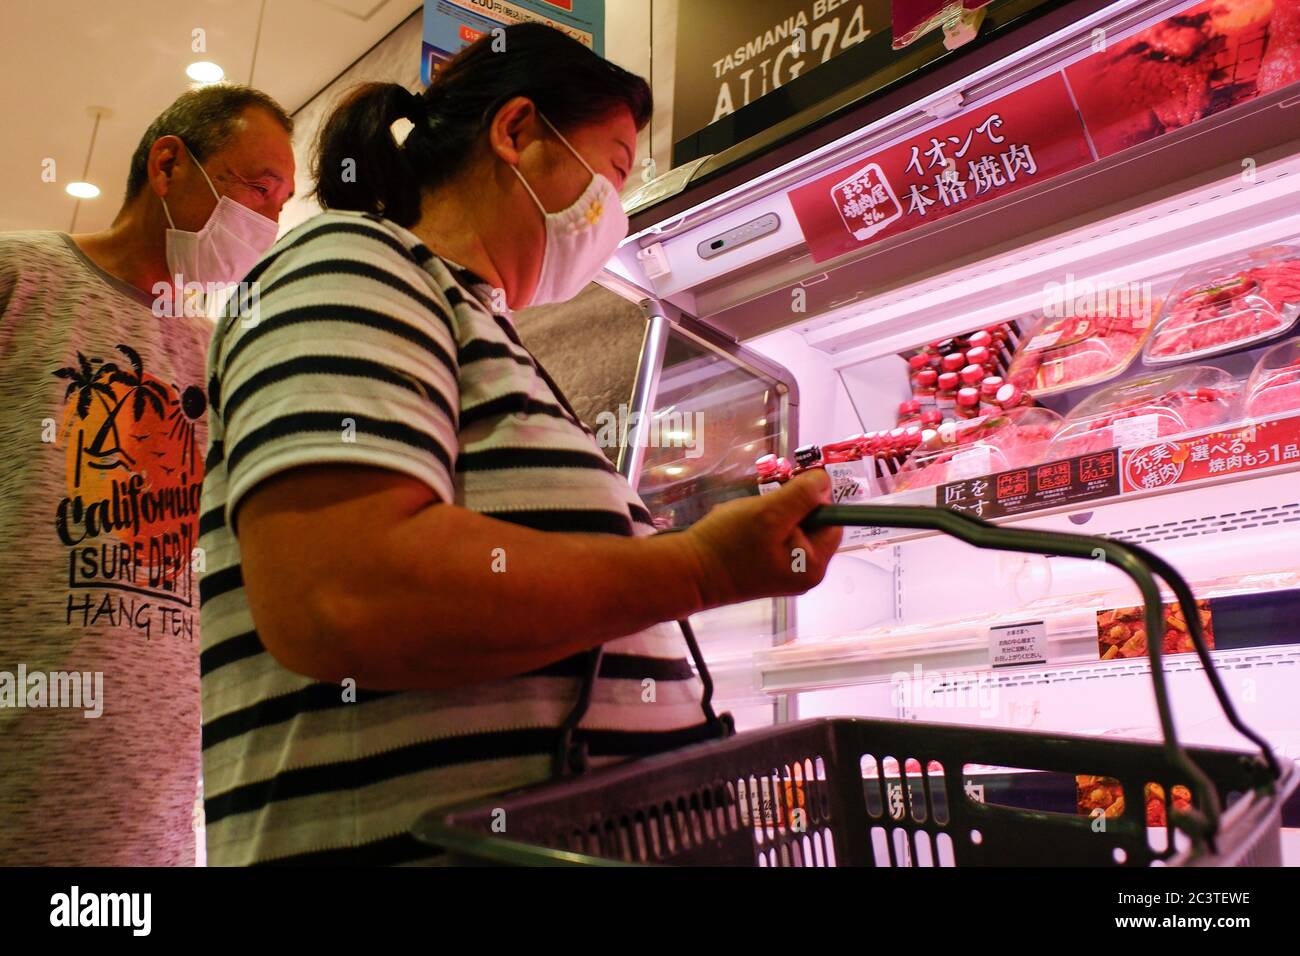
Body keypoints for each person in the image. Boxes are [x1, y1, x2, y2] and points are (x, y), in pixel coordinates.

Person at [197, 23, 841, 866]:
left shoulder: (475, 329)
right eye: (613, 169)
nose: (613, 209)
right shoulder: (349, 260)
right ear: (517, 132)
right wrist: (702, 570)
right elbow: (342, 590)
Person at [0, 84, 295, 865]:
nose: (266, 223)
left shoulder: (220, 356)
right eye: (257, 189)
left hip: (154, 809)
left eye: (282, 205)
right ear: (169, 163)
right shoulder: (19, 277)